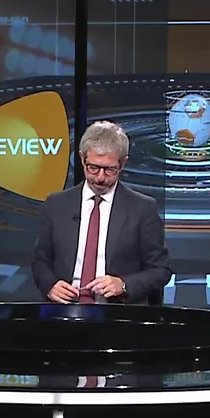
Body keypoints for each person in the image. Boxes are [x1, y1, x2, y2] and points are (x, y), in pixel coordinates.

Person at [32, 121, 172, 305]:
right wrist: (50, 285)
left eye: (109, 170)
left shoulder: (143, 209)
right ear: (82, 158)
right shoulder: (56, 204)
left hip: (117, 313)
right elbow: (40, 261)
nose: (100, 178)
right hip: (64, 310)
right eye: (93, 167)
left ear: (123, 163)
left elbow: (160, 270)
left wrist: (124, 284)